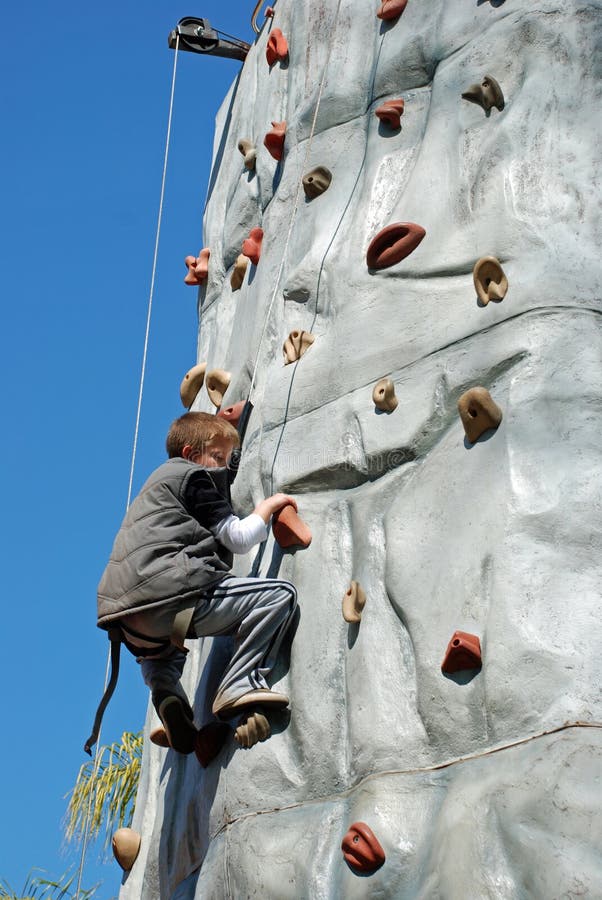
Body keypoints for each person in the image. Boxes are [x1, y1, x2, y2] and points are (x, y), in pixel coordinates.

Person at [96, 411, 298, 754]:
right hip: (171, 594)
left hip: (127, 620)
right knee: (279, 596)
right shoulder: (193, 478)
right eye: (217, 458)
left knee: (161, 657)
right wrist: (268, 507)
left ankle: (166, 694)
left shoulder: (156, 487)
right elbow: (238, 537)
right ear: (190, 455)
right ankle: (239, 683)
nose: (222, 468)